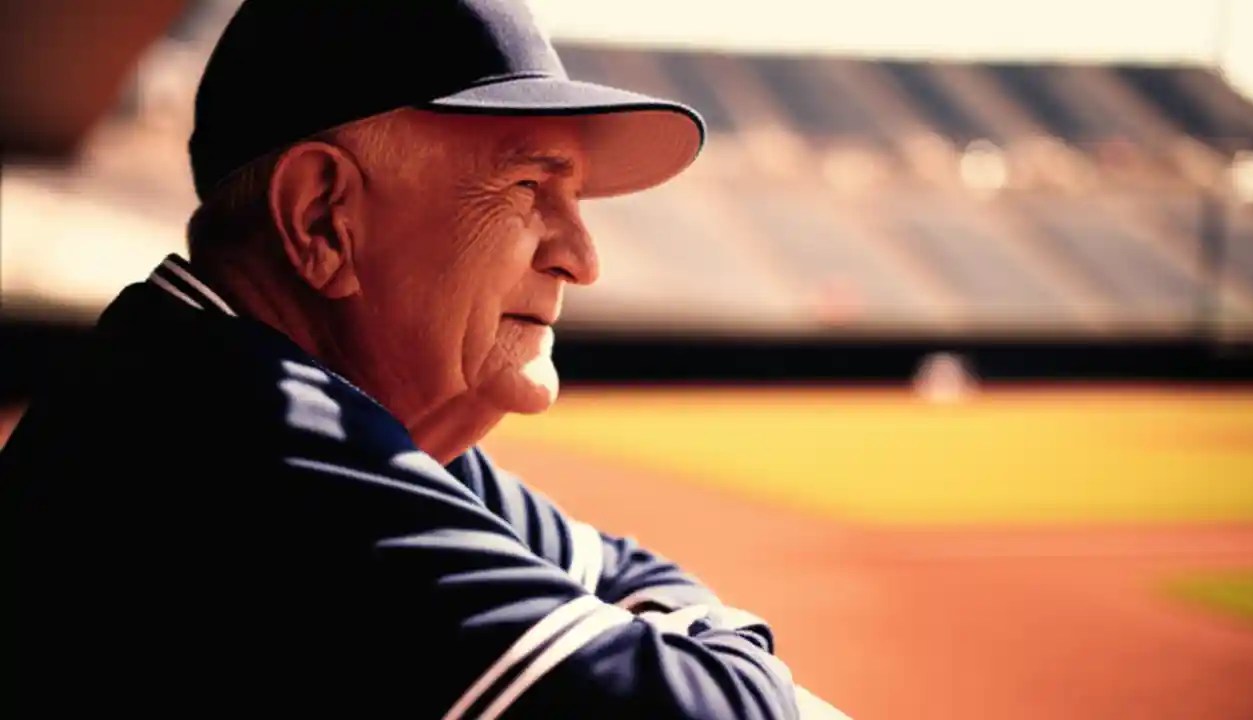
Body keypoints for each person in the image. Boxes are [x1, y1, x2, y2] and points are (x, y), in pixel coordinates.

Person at [1, 2, 848, 718]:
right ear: (324, 218)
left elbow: (627, 572)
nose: (582, 258)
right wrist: (733, 655)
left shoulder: (246, 382)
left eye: (574, 199)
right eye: (527, 187)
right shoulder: (233, 441)